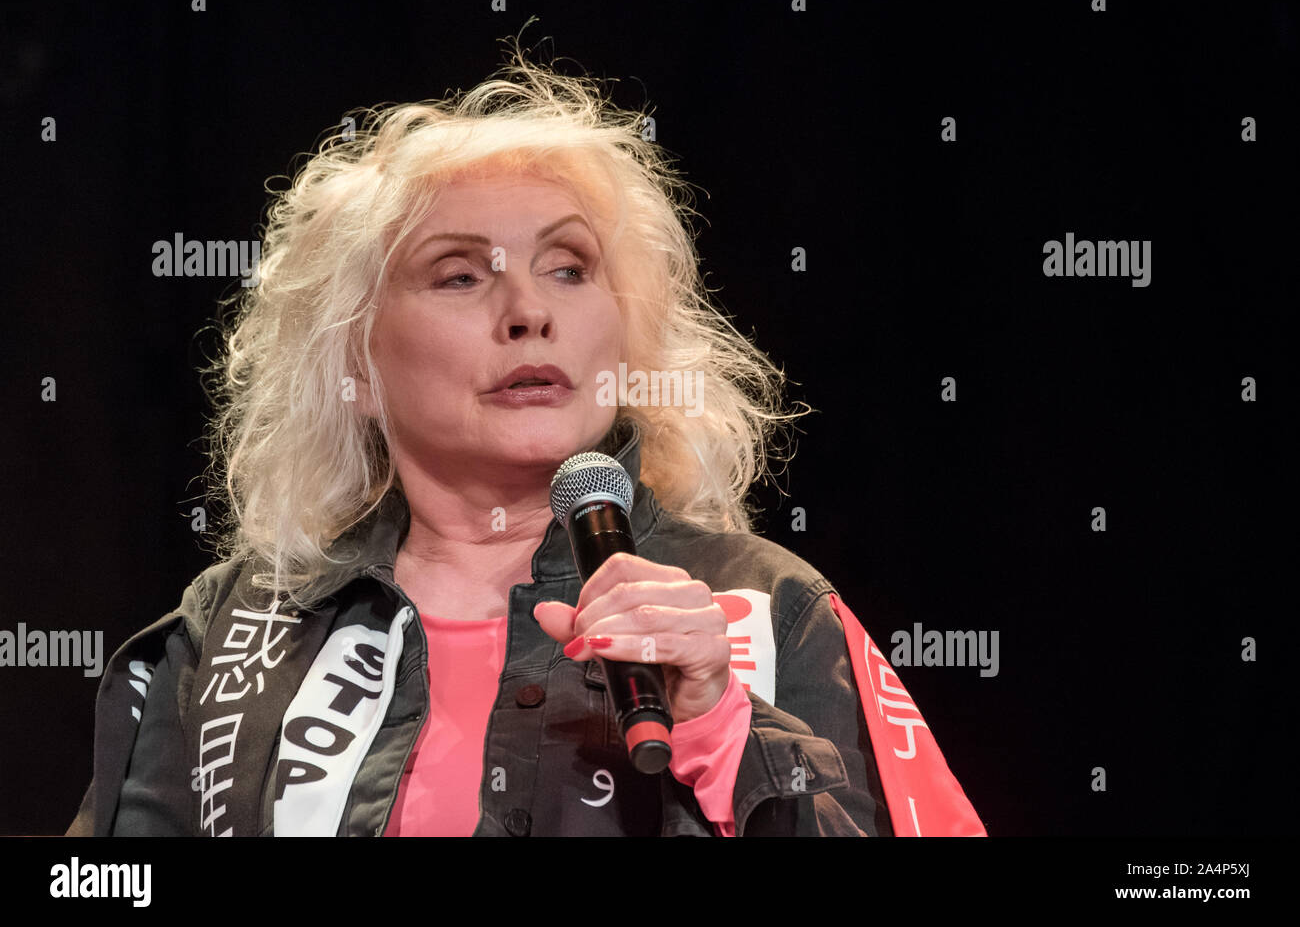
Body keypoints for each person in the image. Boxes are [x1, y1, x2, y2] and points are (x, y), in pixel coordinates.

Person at [66, 46, 984, 837]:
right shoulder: (235, 633)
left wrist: (722, 730)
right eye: (460, 275)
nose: (530, 312)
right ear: (353, 362)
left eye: (570, 268)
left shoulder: (767, 610)